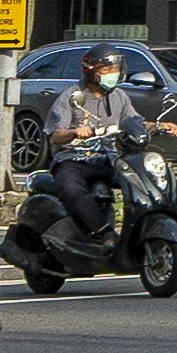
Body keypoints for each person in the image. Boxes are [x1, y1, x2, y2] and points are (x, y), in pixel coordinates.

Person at [40, 47, 135, 256]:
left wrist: (159, 125)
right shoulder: (71, 96)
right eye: (107, 70)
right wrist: (74, 132)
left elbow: (132, 121)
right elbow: (55, 135)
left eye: (116, 69)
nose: (113, 74)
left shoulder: (119, 96)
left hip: (109, 158)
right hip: (74, 159)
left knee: (141, 178)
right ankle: (104, 232)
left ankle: (142, 229)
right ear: (91, 71)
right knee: (70, 187)